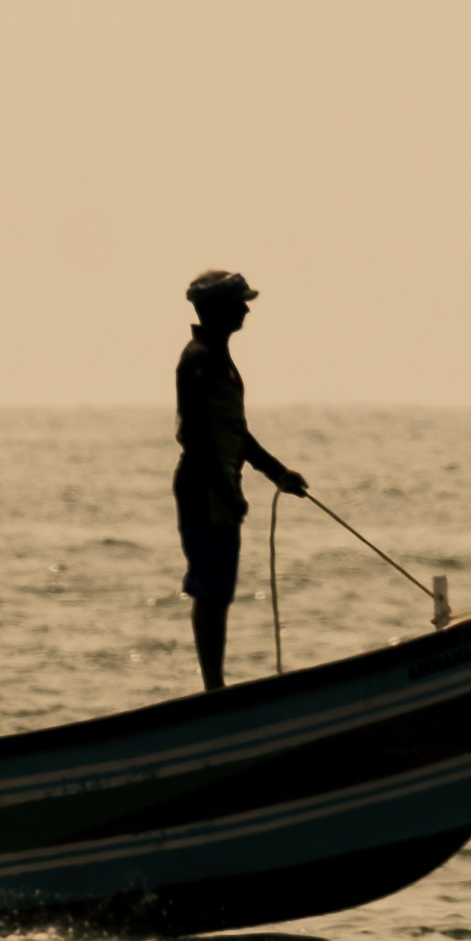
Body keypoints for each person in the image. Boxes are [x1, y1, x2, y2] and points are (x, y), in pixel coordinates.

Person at [174, 268, 307, 694]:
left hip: (218, 488)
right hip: (203, 488)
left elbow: (234, 434)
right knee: (209, 591)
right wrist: (227, 490)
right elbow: (193, 435)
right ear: (215, 310)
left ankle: (215, 684)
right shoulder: (200, 359)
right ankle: (214, 687)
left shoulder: (219, 357)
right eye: (239, 302)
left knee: (219, 591)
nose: (246, 309)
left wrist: (276, 472)